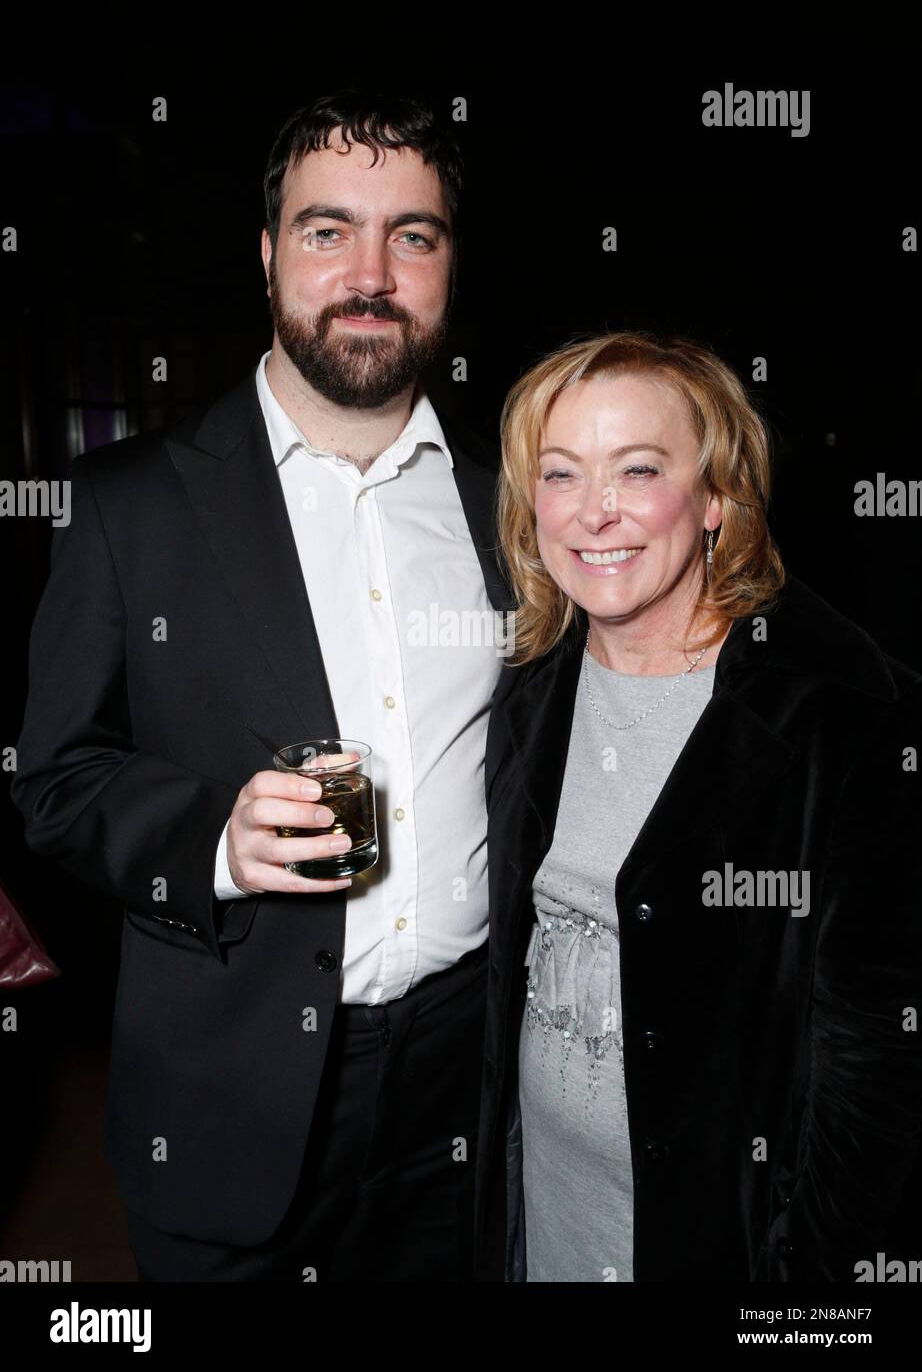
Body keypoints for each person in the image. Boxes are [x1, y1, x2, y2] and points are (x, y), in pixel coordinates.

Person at [10, 90, 513, 1282]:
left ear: (447, 267)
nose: (371, 272)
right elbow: (55, 780)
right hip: (227, 1092)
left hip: (467, 1085)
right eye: (328, 229)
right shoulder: (130, 502)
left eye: (415, 235)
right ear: (269, 254)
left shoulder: (516, 500)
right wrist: (216, 842)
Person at [473, 330, 922, 1282]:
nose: (594, 513)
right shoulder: (527, 688)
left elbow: (878, 1080)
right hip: (542, 1220)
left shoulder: (845, 720)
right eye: (561, 475)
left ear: (717, 497)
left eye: (638, 470)